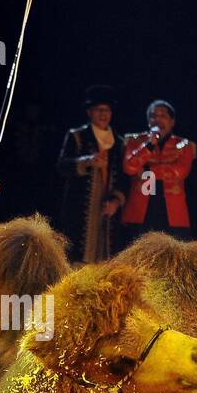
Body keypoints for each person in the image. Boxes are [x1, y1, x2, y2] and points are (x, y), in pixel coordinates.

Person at [55, 85, 126, 263]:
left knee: (105, 261)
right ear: (89, 112)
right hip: (80, 211)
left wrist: (116, 202)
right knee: (76, 259)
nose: (103, 114)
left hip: (107, 214)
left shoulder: (119, 142)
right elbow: (62, 167)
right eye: (99, 109)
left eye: (107, 110)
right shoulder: (77, 136)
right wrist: (86, 161)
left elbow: (124, 179)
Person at [120, 99, 196, 244]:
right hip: (141, 211)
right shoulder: (135, 141)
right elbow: (129, 167)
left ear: (172, 121)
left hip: (172, 213)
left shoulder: (185, 145)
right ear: (148, 121)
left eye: (163, 116)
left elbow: (180, 171)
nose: (158, 120)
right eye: (153, 116)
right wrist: (149, 145)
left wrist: (147, 169)